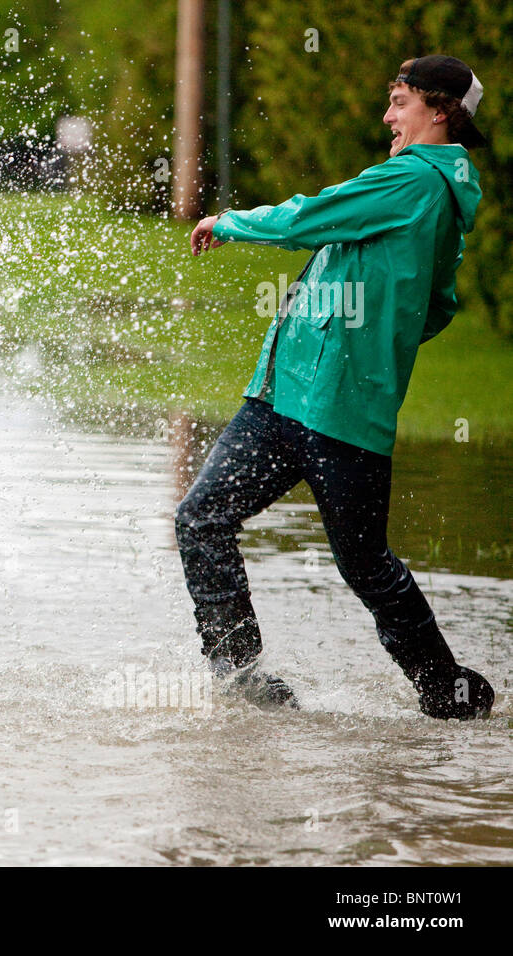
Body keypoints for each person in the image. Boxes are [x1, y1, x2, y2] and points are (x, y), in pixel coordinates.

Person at [178, 55, 494, 719]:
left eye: (399, 101)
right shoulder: (436, 192)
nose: (388, 116)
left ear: (440, 112)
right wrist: (376, 335)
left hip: (333, 411)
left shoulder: (415, 179)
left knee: (363, 564)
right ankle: (247, 685)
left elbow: (311, 217)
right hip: (287, 398)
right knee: (206, 520)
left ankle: (444, 688)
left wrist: (231, 221)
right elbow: (437, 304)